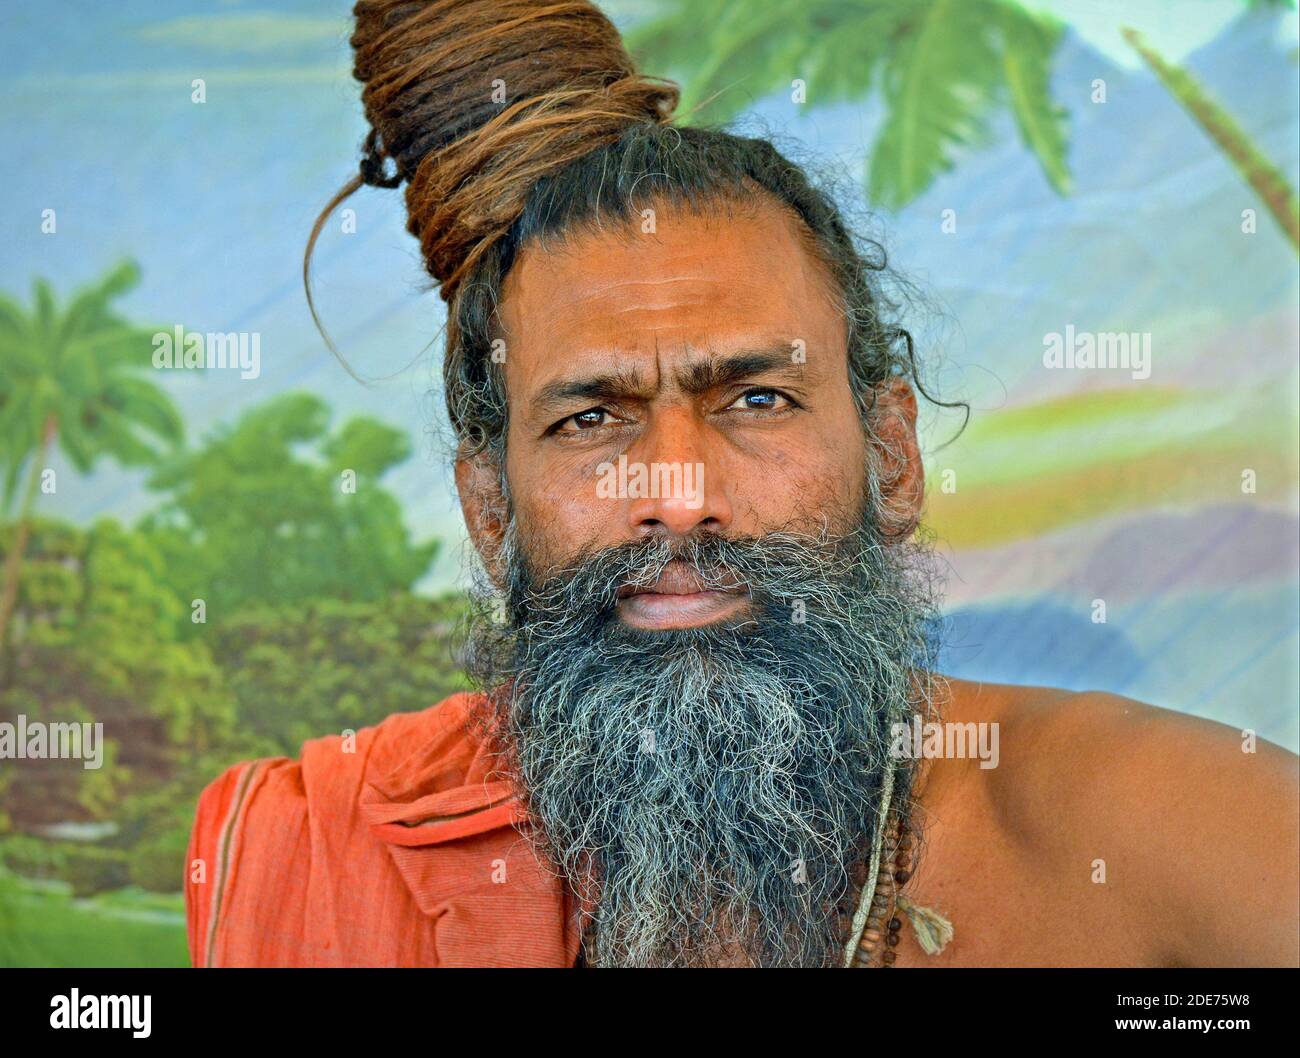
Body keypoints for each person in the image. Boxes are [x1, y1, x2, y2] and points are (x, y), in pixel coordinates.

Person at [185, 0, 1299, 968]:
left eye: (754, 400)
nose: (677, 492)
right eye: (589, 418)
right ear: (489, 513)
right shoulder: (332, 846)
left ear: (893, 456)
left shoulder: (1146, 830)